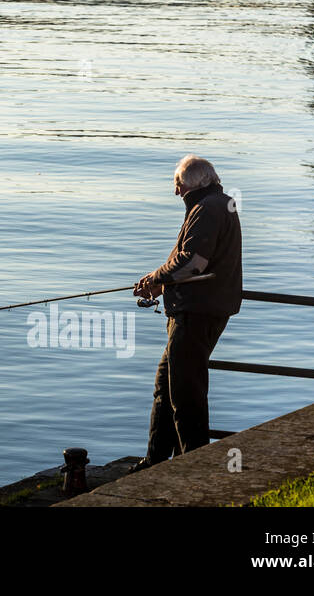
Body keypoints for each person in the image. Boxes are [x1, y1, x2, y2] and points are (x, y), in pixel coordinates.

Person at [129, 155, 242, 473]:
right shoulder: (220, 203)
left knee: (185, 394)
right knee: (166, 385)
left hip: (196, 314)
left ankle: (192, 468)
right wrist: (163, 285)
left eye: (178, 185)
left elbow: (193, 262)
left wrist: (155, 278)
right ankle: (155, 461)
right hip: (195, 310)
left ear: (196, 183)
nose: (176, 192)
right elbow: (195, 265)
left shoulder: (207, 208)